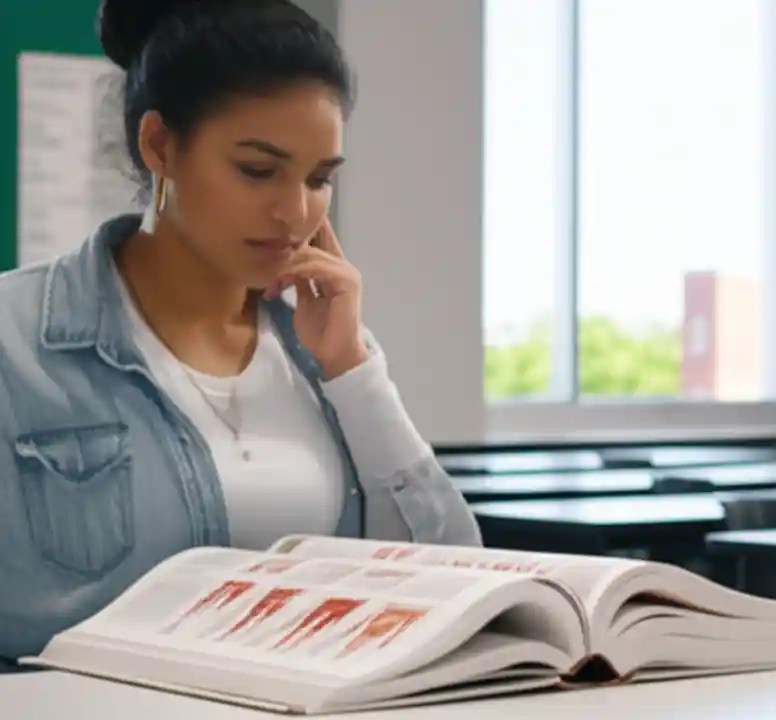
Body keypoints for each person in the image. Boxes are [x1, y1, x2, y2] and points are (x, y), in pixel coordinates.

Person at [0, 0, 480, 664]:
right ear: (160, 147)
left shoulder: (322, 354)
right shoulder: (15, 340)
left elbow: (455, 580)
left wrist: (353, 371)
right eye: (258, 170)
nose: (294, 211)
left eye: (318, 179)